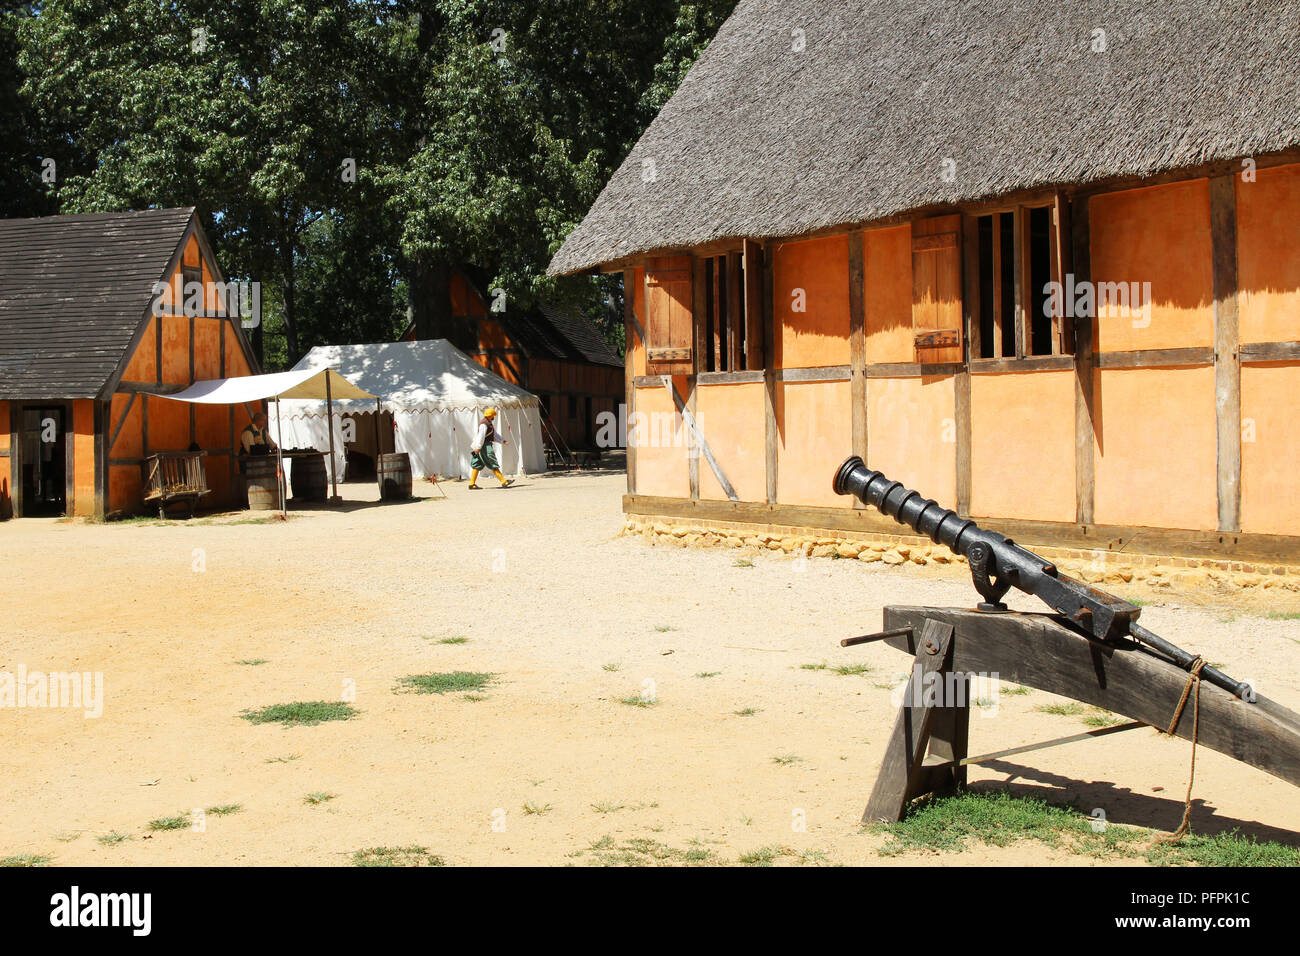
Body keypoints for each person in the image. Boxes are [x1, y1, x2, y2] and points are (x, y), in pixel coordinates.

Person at [468, 407, 513, 489]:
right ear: (491, 415)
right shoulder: (484, 424)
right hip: (484, 446)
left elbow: (494, 434)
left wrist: (502, 441)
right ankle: (503, 481)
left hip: (482, 445)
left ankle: (472, 484)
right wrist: (478, 447)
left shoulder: (488, 423)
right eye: (493, 415)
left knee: (477, 463)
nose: (494, 417)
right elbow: (481, 437)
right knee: (492, 462)